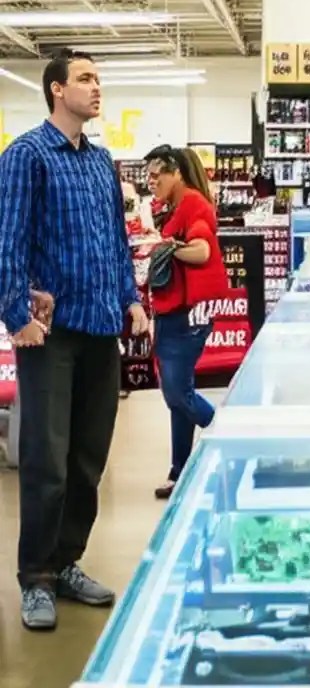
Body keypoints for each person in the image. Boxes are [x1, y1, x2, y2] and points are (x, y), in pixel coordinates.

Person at [0, 48, 148, 631]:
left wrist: (132, 299)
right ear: (57, 89)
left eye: (97, 78)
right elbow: (7, 242)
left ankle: (66, 564)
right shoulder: (26, 157)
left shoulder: (101, 162)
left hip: (100, 329)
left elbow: (115, 243)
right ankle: (35, 576)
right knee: (47, 462)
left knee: (88, 461)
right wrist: (17, 316)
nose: (96, 88)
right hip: (50, 337)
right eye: (85, 78)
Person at [143, 145, 229, 500]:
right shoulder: (176, 207)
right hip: (174, 311)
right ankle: (180, 472)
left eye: (156, 174)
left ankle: (228, 433)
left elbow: (203, 250)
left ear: (176, 171)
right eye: (147, 175)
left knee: (177, 392)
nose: (151, 181)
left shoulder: (193, 204)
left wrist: (166, 247)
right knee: (177, 396)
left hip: (186, 313)